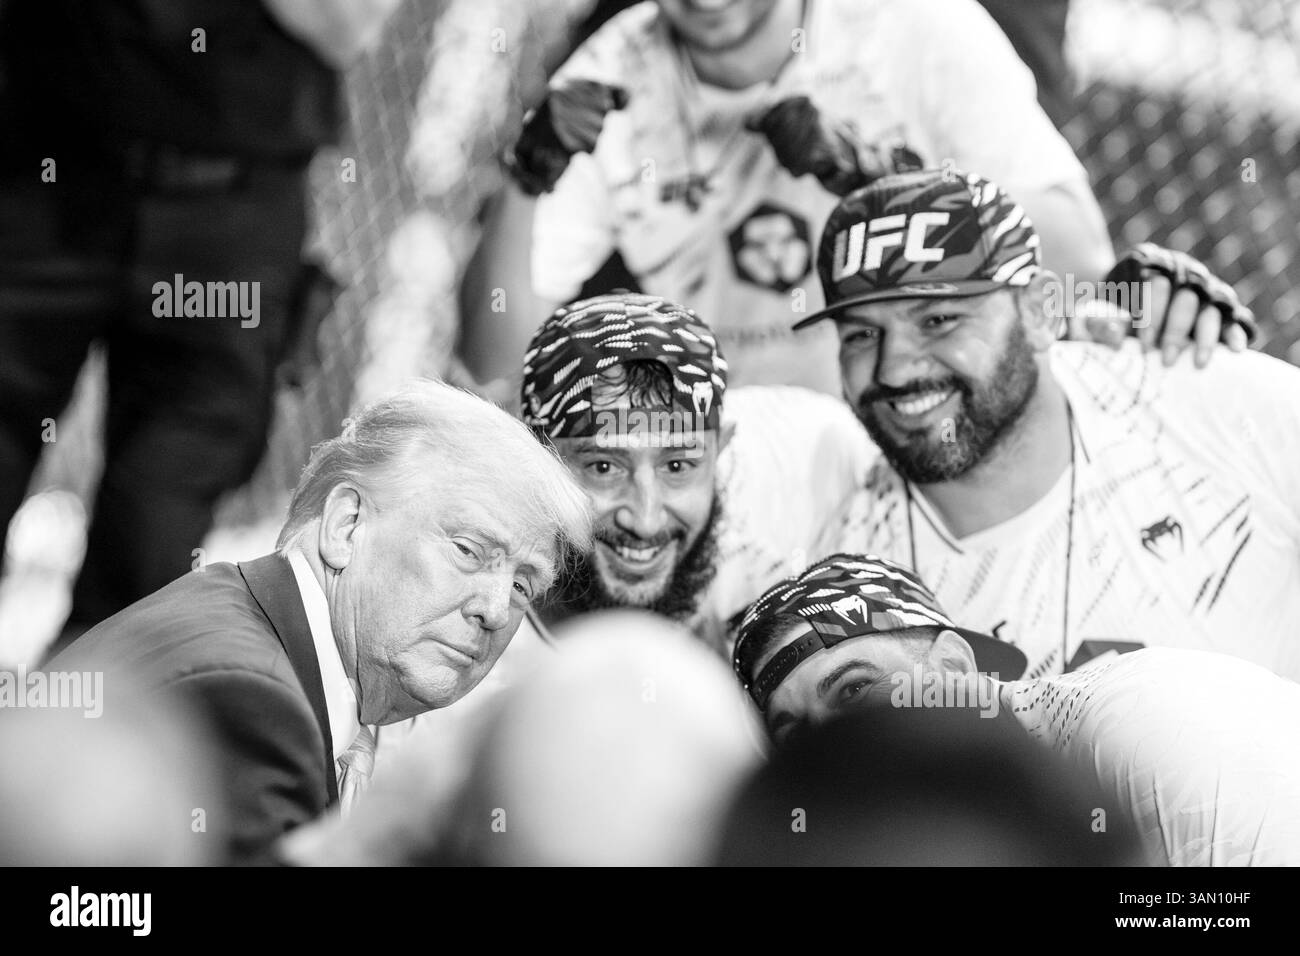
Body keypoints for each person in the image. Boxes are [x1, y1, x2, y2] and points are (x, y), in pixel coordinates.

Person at [45, 380, 592, 864]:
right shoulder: (249, 699)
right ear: (346, 526)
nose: (495, 610)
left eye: (523, 586)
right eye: (469, 551)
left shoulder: (271, 645)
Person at [0, 0, 399, 655]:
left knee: (152, 534)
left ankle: (82, 741)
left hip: (230, 213)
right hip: (41, 170)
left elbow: (346, 22)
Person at [463, 0, 1121, 396]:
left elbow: (1081, 265)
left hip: (934, 414)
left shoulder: (911, 25)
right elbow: (497, 369)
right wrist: (527, 179)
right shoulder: (613, 73)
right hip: (751, 457)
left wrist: (891, 184)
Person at [806, 168, 1295, 680]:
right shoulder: (841, 562)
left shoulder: (1210, 401)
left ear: (1039, 312)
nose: (894, 369)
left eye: (938, 320)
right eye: (861, 334)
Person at [733, 552, 1300, 866]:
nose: (835, 747)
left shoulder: (1148, 723)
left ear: (953, 669)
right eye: (797, 736)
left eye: (856, 690)